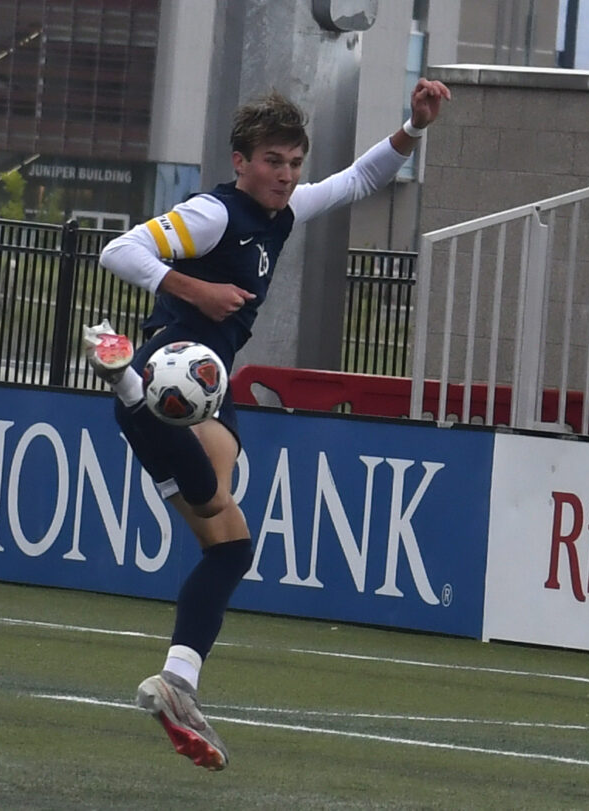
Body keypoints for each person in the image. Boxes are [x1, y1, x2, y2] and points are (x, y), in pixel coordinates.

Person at [83, 77, 450, 770]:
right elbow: (119, 251)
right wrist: (194, 288)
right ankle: (129, 383)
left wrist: (414, 127)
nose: (286, 174)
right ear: (240, 162)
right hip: (179, 372)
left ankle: (178, 680)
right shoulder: (212, 215)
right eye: (273, 161)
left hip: (190, 393)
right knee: (213, 505)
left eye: (294, 162)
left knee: (227, 543)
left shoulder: (283, 210)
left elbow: (358, 180)